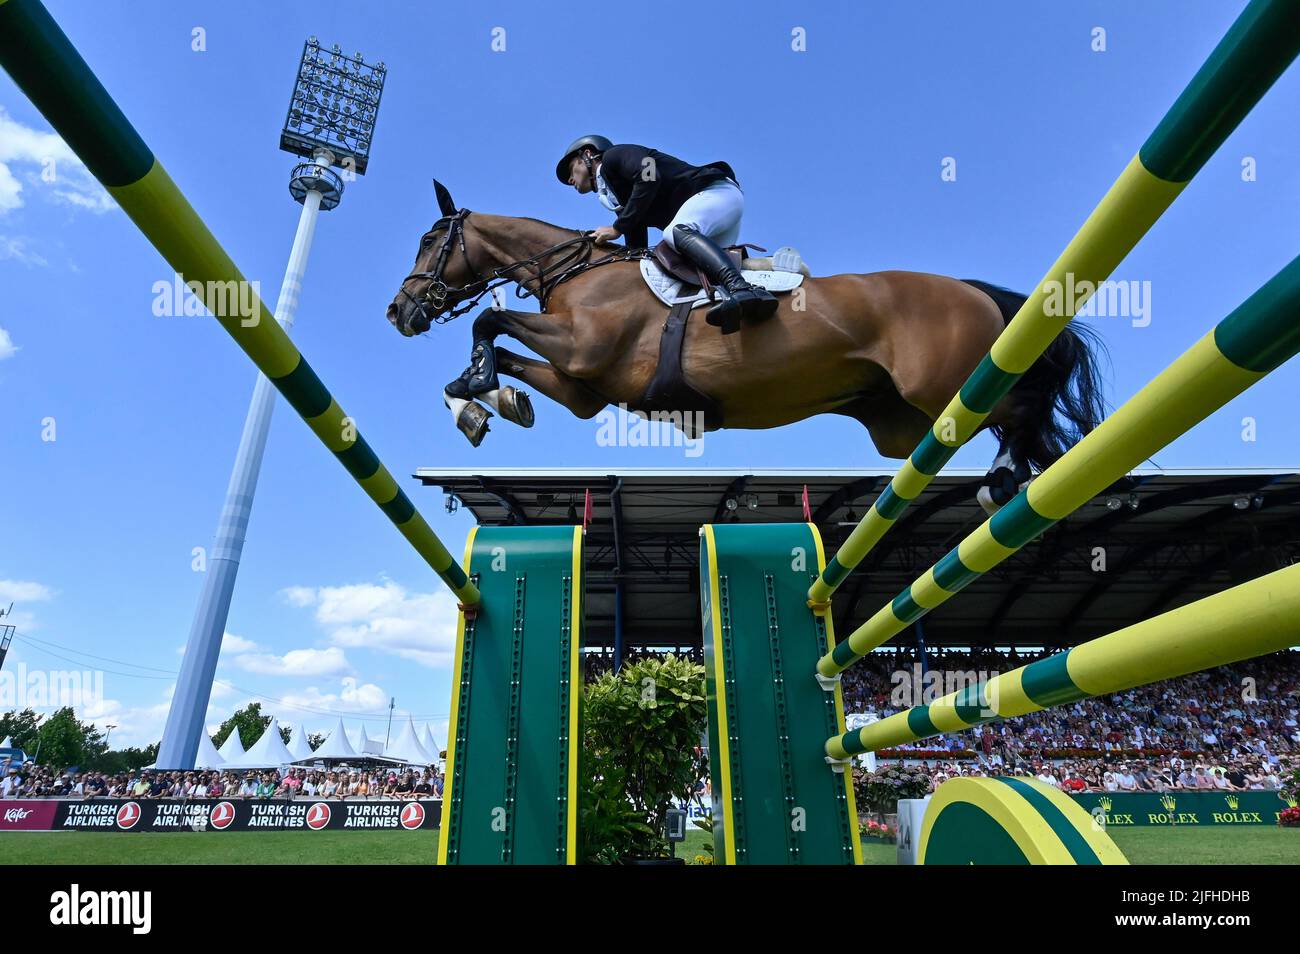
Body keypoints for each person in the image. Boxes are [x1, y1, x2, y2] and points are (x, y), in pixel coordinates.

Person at [556, 135, 778, 331]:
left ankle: (741, 289)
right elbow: (637, 246)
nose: (569, 180)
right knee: (702, 271)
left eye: (570, 169)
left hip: (715, 194)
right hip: (710, 213)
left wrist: (616, 228)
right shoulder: (619, 195)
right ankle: (771, 274)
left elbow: (649, 175)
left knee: (675, 233)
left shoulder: (616, 155)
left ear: (588, 154)